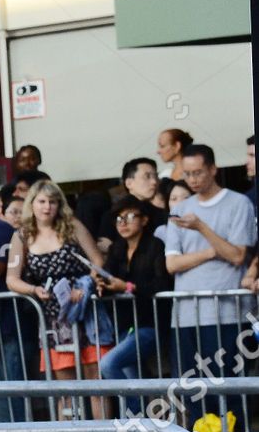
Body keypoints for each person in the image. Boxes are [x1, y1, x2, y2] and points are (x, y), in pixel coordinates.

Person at [6, 180, 112, 432]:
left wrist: (84, 285)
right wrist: (34, 290)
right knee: (63, 391)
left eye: (52, 201)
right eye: (41, 201)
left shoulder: (73, 226)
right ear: (32, 205)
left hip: (86, 315)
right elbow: (11, 279)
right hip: (53, 320)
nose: (47, 207)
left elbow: (99, 261)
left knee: (97, 384)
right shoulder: (22, 236)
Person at [161, 142, 258, 409]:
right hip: (186, 314)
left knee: (228, 390)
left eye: (198, 172)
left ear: (213, 170)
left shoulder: (238, 203)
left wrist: (201, 227)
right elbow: (172, 264)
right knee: (192, 393)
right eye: (187, 174)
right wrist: (211, 252)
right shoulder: (179, 209)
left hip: (227, 313)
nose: (192, 179)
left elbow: (237, 255)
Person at [98, 197, 173, 400]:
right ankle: (141, 423)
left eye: (130, 217)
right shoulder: (117, 249)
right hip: (124, 324)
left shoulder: (155, 246)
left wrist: (129, 287)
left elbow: (162, 284)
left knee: (108, 364)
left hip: (151, 323)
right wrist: (101, 285)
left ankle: (135, 418)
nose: (123, 222)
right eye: (119, 218)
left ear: (145, 220)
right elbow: (109, 278)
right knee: (135, 381)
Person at [99, 158, 168, 241]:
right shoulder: (113, 214)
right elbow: (105, 245)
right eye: (147, 176)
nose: (154, 181)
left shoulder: (162, 213)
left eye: (156, 176)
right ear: (129, 183)